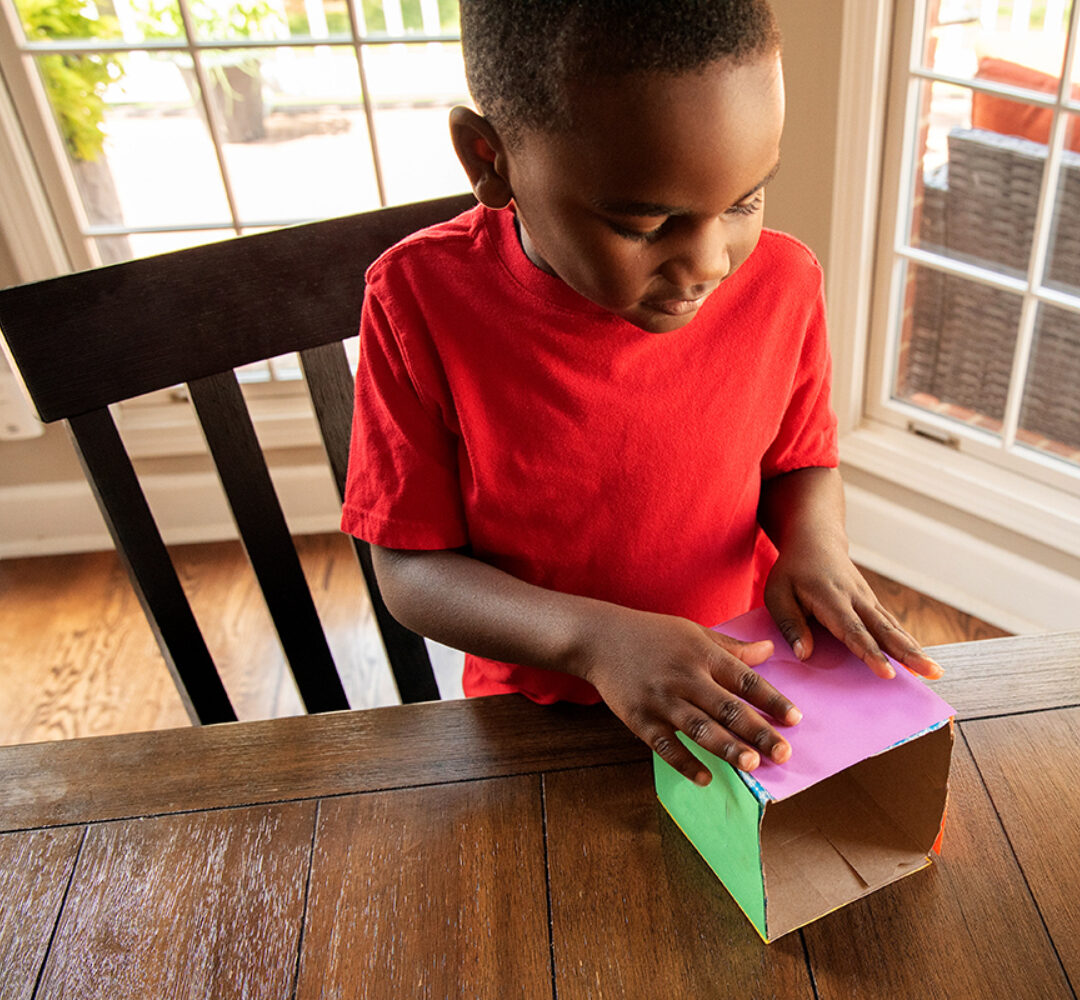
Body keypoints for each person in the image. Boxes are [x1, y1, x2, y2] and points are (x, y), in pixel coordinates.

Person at [341, 0, 942, 788]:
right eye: (648, 223)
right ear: (490, 160)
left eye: (743, 201)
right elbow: (411, 573)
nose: (708, 263)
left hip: (738, 692)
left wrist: (816, 544)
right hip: (543, 719)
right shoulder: (417, 302)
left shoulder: (783, 284)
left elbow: (798, 461)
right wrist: (596, 641)